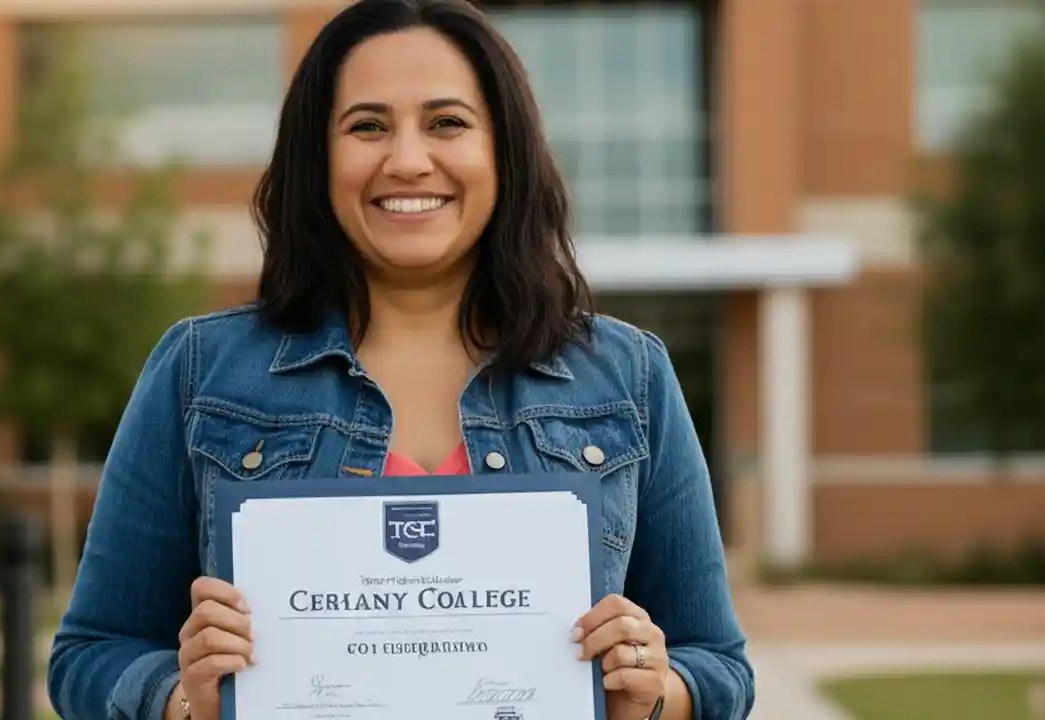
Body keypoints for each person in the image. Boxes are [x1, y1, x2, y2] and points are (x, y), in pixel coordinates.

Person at [47, 1, 755, 718]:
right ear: (317, 158)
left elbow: (719, 666)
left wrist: (658, 689)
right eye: (367, 126)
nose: (408, 160)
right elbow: (90, 656)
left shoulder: (628, 376)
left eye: (447, 122)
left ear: (503, 150)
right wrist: (181, 700)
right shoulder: (200, 371)